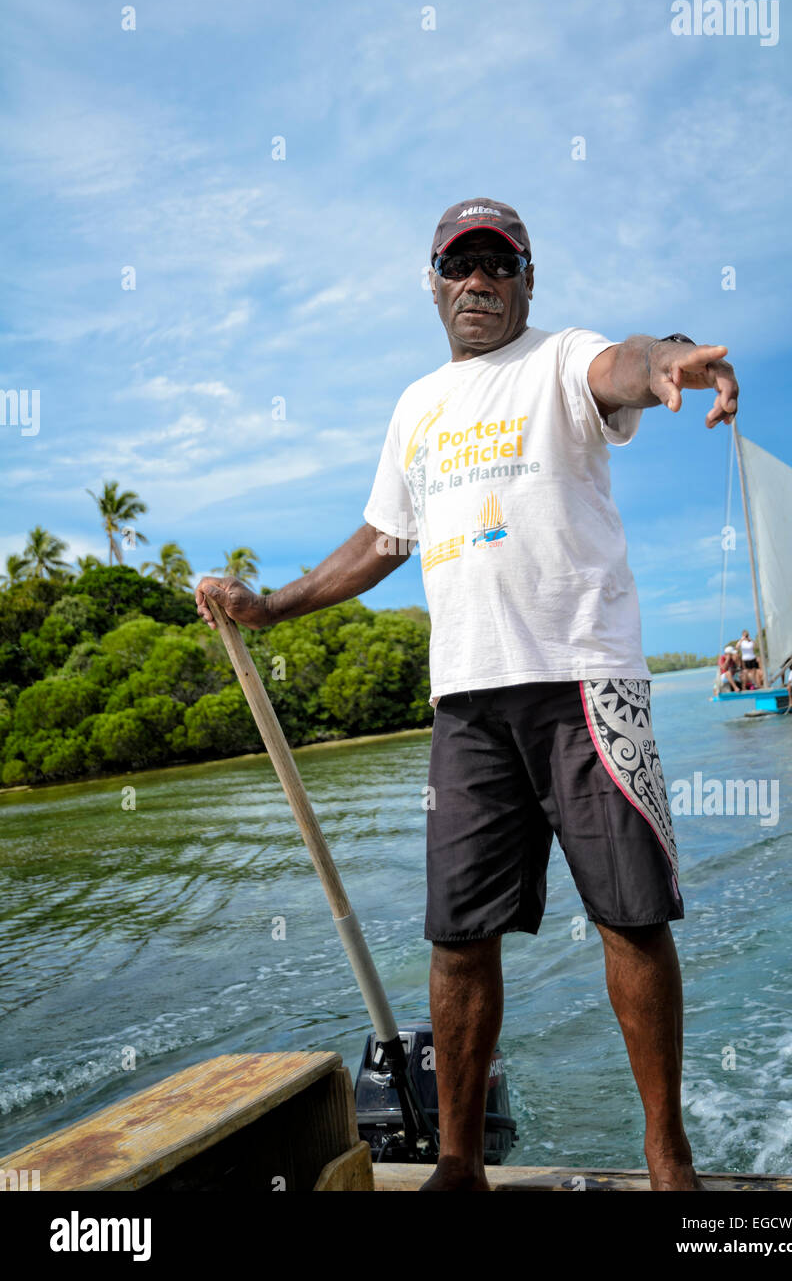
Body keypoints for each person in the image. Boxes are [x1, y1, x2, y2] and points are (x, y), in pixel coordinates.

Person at [195, 196, 738, 1193]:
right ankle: (456, 1162)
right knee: (456, 933)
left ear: (526, 279)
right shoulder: (416, 407)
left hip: (585, 682)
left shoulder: (561, 356)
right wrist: (271, 604)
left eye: (499, 264)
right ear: (434, 282)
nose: (479, 281)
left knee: (630, 918)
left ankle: (668, 1158)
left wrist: (669, 360)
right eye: (460, 265)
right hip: (468, 704)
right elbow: (380, 540)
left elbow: (625, 360)